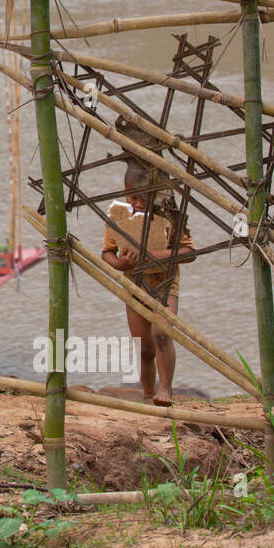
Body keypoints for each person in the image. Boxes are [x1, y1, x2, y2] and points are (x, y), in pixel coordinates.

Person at [101, 163, 196, 406]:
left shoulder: (170, 217)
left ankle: (166, 388)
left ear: (159, 194)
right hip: (134, 285)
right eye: (132, 197)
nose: (138, 203)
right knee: (143, 346)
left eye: (144, 198)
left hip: (164, 283)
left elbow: (188, 251)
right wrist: (120, 264)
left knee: (162, 333)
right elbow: (107, 253)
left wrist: (156, 254)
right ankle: (147, 392)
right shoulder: (119, 218)